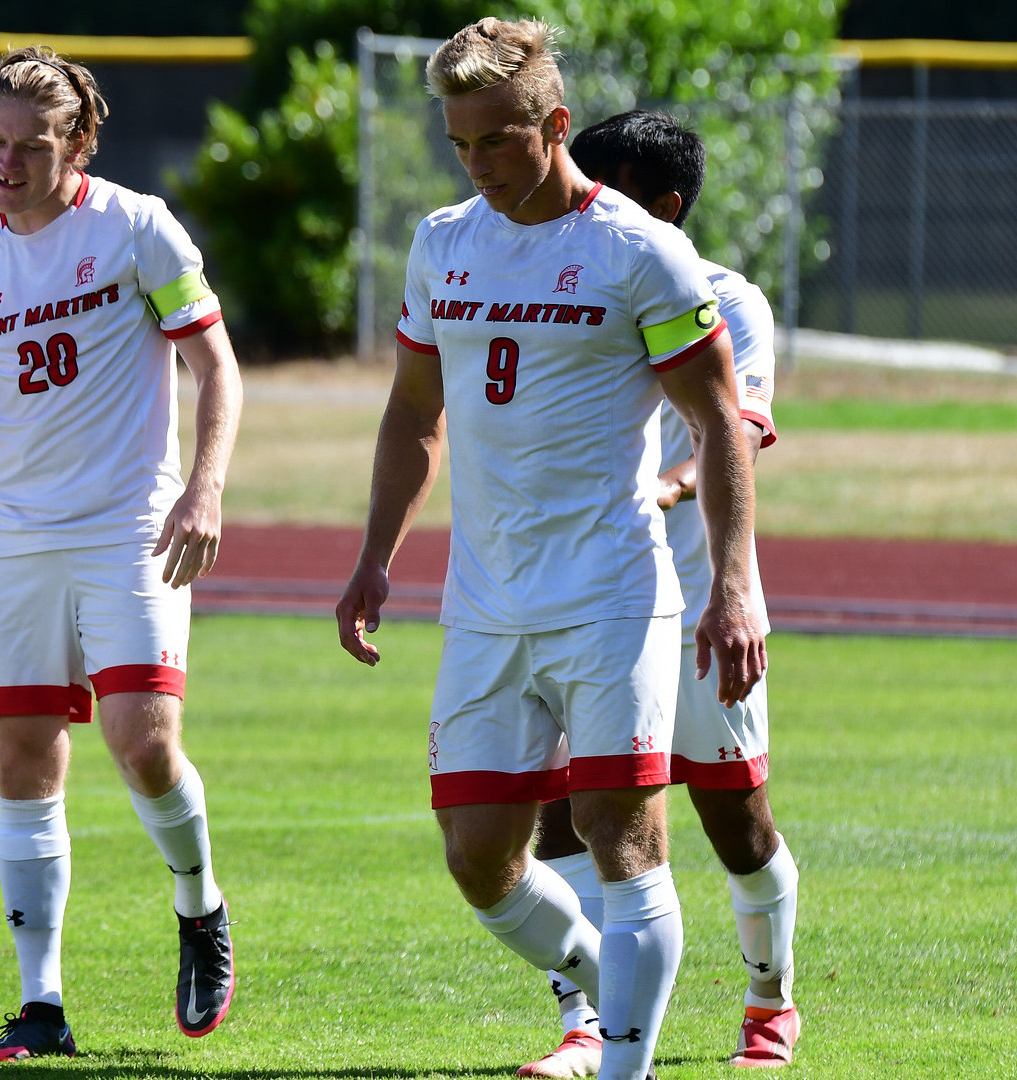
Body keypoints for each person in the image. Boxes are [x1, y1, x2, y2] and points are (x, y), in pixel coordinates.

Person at [333, 20, 766, 1080]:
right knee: (480, 860)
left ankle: (623, 1063)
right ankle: (600, 992)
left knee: (623, 841)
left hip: (612, 592)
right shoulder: (444, 242)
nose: (476, 165)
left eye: (496, 141)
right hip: (485, 603)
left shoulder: (638, 252)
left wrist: (735, 586)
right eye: (459, 144)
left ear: (554, 124)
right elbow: (413, 414)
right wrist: (375, 555)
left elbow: (719, 424)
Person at [0, 45, 244, 1061]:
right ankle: (41, 1007)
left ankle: (199, 907)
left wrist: (206, 487)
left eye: (29, 145)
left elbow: (215, 366)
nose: (5, 163)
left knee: (143, 743)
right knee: (23, 764)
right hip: (13, 540)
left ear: (79, 143)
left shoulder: (137, 227)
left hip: (128, 528)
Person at [514, 110, 799, 1079]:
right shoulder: (552, 285)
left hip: (696, 598)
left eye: (604, 188)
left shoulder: (730, 302)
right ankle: (587, 1023)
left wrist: (664, 494)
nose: (578, 207)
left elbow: (729, 434)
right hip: (586, 601)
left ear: (665, 208)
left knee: (737, 825)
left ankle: (768, 1005)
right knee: (561, 816)